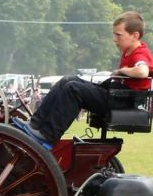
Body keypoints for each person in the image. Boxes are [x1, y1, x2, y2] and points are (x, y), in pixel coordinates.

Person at [16, 11, 152, 148]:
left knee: (73, 89)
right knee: (67, 80)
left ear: (135, 36)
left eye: (119, 35)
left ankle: (48, 136)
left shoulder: (140, 53)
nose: (114, 39)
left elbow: (142, 71)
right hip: (115, 95)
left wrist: (121, 71)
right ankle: (34, 123)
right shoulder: (129, 50)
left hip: (123, 102)